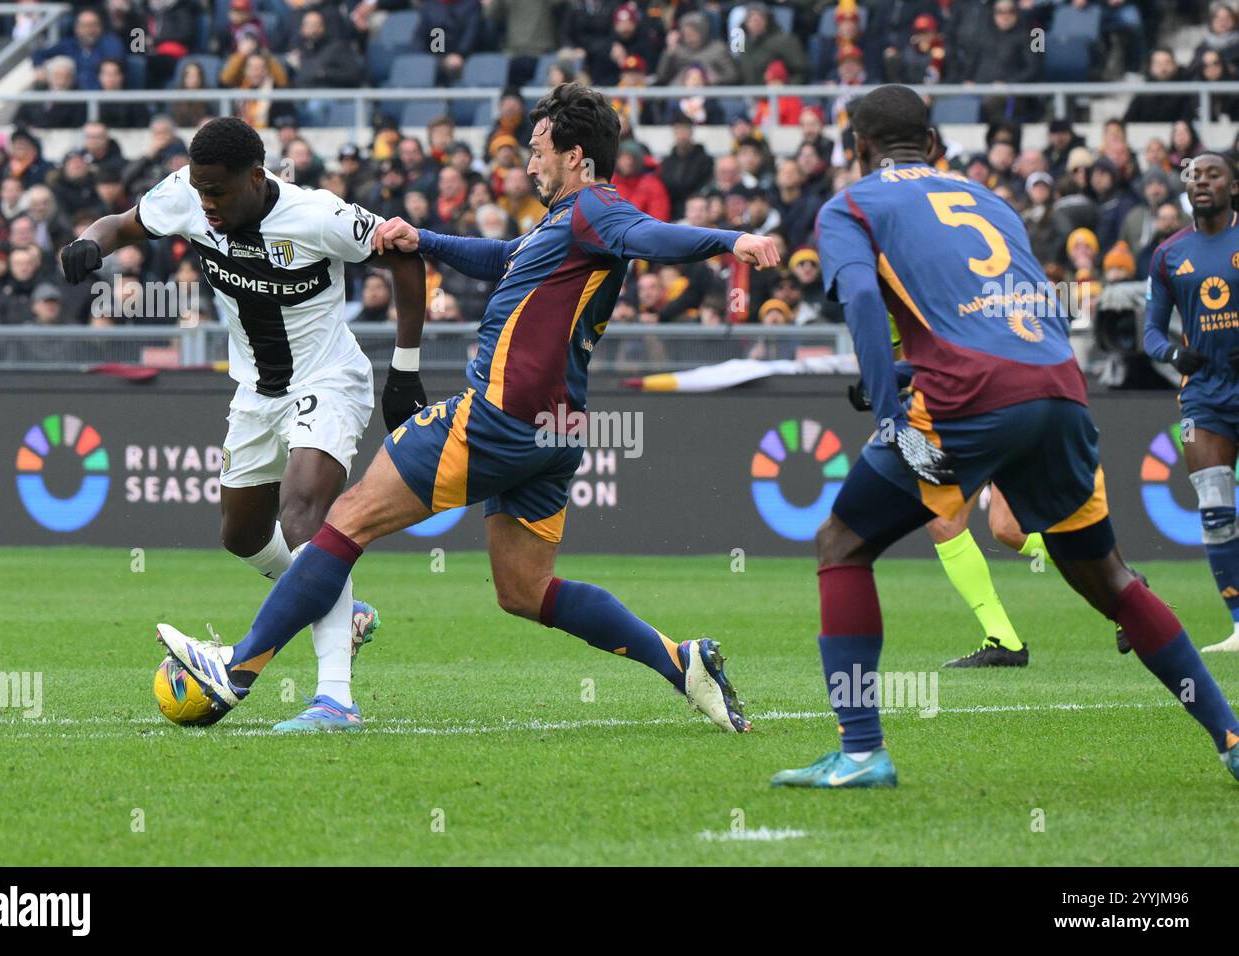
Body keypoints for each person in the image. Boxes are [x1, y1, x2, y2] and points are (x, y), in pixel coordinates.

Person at [153, 84, 780, 733]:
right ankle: (681, 662)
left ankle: (239, 673)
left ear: (575, 155)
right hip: (553, 433)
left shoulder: (598, 209)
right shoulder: (564, 225)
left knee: (344, 523)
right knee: (525, 591)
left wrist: (729, 241)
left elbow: (652, 234)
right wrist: (421, 238)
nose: (527, 167)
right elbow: (500, 257)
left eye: (537, 152)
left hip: (500, 417)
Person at [773, 85, 1239, 789]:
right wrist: (903, 368)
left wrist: (889, 415)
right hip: (1056, 387)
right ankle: (1231, 735)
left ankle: (862, 750)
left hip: (965, 400)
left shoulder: (852, 205)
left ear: (858, 149)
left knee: (843, 543)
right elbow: (1009, 312)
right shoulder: (991, 201)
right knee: (1110, 581)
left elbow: (864, 299)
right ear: (933, 145)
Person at [58, 118, 430, 731]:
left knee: (306, 518)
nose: (207, 204)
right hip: (255, 392)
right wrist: (92, 243)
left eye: (219, 192)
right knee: (242, 535)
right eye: (200, 191)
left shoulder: (320, 217)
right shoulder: (186, 194)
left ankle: (335, 699)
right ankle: (336, 601)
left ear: (257, 178)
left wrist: (407, 370)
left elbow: (405, 260)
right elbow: (122, 223)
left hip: (327, 381)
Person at [1142, 152, 1239, 654]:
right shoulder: (1169, 254)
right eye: (1193, 176)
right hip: (1205, 396)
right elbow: (1151, 333)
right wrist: (1176, 354)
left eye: (1213, 174)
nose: (1201, 182)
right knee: (1217, 509)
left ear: (1233, 184)